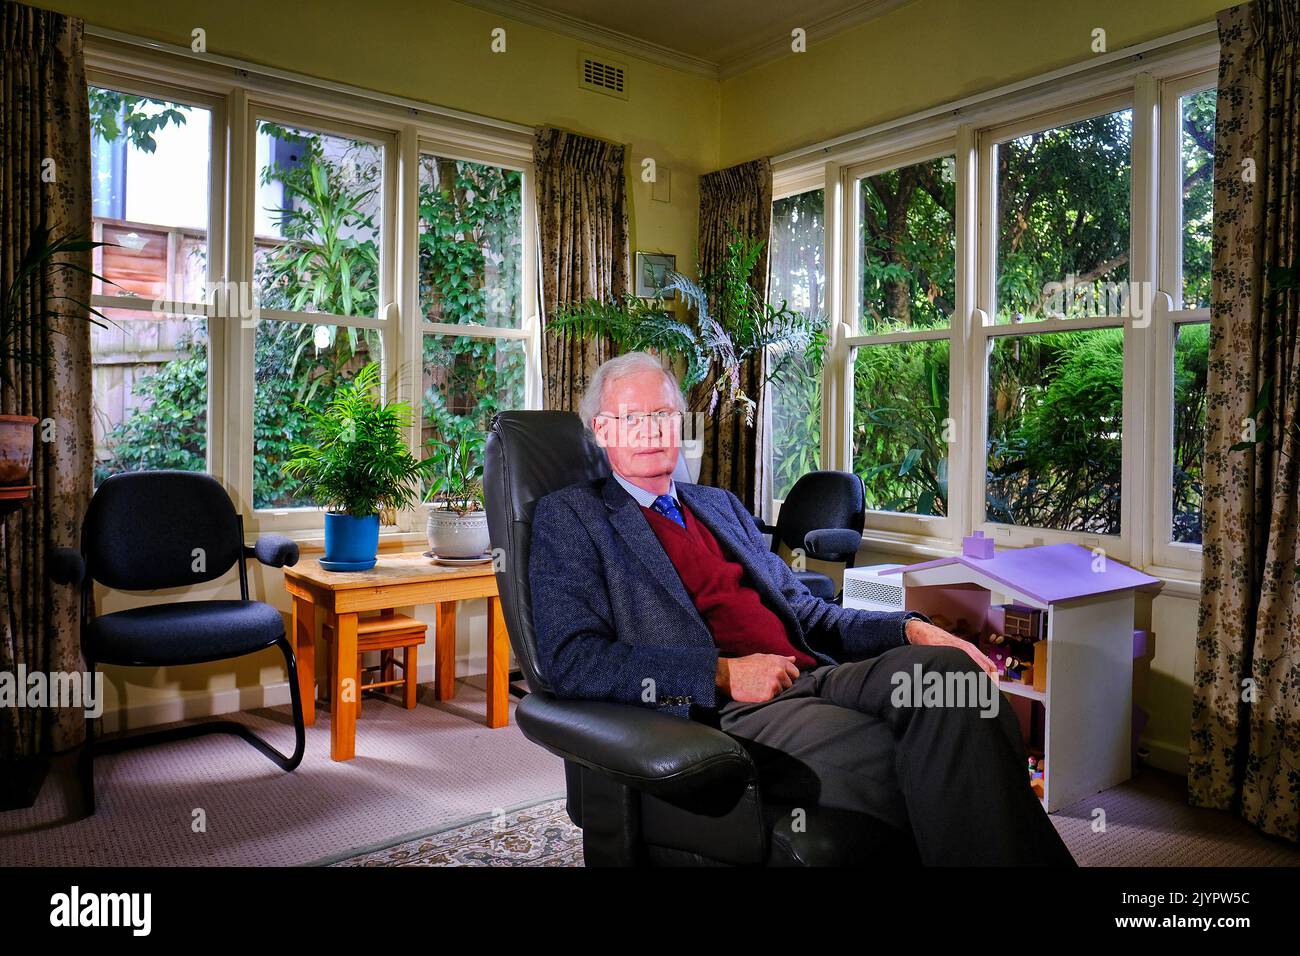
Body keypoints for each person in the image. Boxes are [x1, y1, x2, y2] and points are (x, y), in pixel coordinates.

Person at [528, 351, 1075, 866]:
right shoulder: (573, 518)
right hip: (731, 709)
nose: (651, 431)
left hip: (816, 673)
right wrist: (720, 673)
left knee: (955, 680)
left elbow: (808, 613)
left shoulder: (717, 505)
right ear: (601, 432)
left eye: (663, 414)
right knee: (938, 751)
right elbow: (572, 659)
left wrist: (909, 629)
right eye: (631, 419)